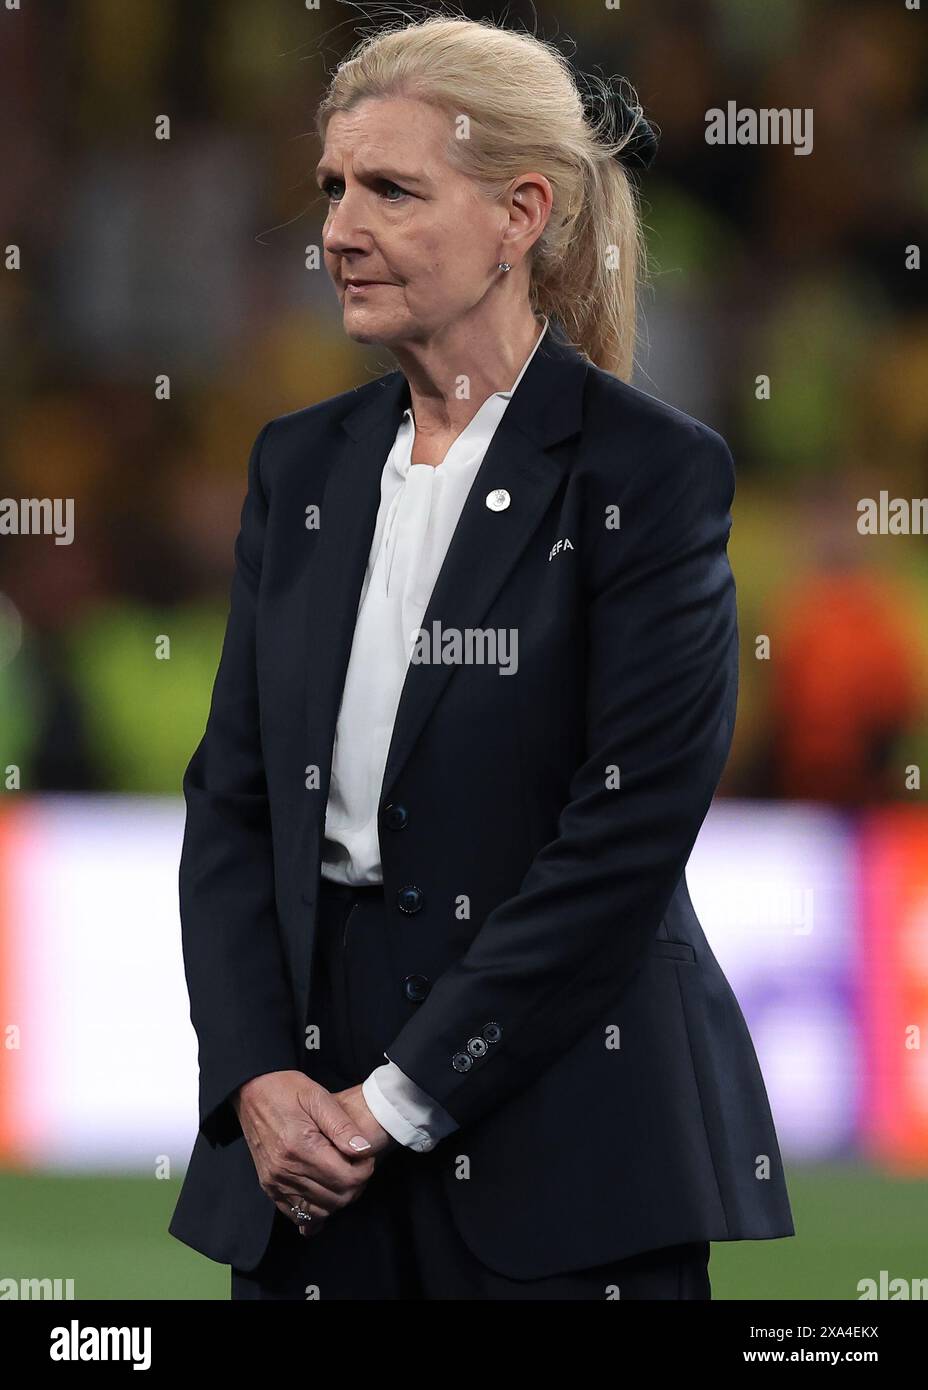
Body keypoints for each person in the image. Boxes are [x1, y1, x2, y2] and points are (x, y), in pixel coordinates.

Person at [168, 15, 794, 1300]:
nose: (341, 226)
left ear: (522, 215)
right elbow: (232, 801)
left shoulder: (651, 474)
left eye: (392, 189)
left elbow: (622, 840)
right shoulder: (300, 467)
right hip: (300, 1168)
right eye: (334, 187)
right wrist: (256, 1079)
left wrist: (394, 1102)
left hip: (563, 1136)